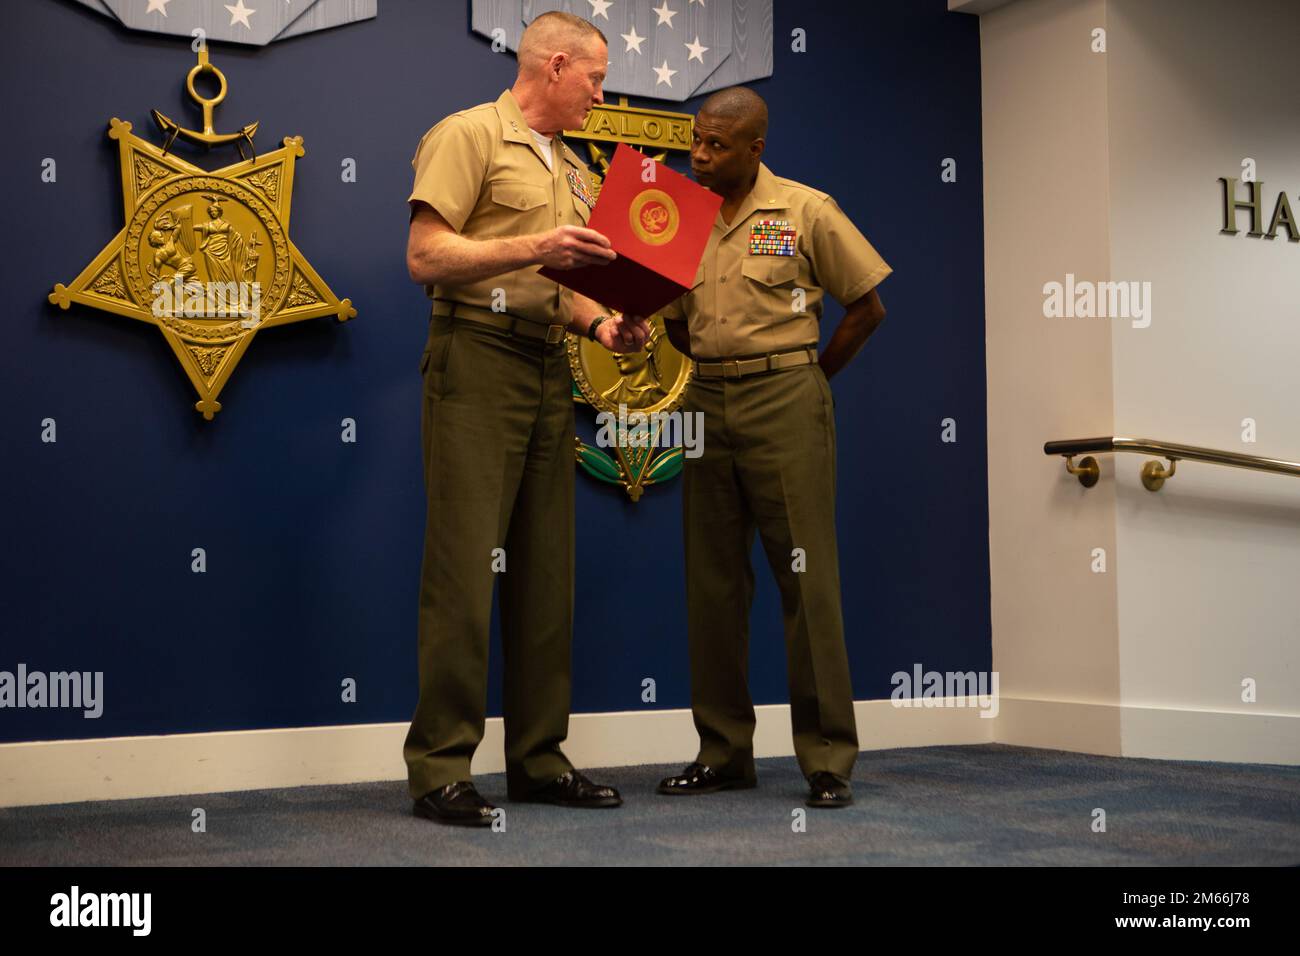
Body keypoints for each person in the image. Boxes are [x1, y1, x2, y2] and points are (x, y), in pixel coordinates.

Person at [403, 11, 649, 827]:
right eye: (595, 78)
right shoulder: (468, 135)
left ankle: (539, 762)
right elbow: (426, 255)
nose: (601, 94)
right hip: (475, 357)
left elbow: (560, 281)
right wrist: (533, 246)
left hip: (547, 362)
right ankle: (441, 769)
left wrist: (602, 325)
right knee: (465, 573)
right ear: (553, 64)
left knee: (546, 575)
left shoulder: (570, 162)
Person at [657, 86, 891, 808]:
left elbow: (867, 305)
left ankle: (827, 759)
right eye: (695, 140)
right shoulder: (678, 216)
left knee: (804, 579)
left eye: (715, 145)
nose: (698, 154)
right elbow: (670, 319)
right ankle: (723, 752)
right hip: (706, 398)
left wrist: (808, 379)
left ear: (754, 148)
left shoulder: (805, 210)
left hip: (785, 396)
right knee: (713, 582)